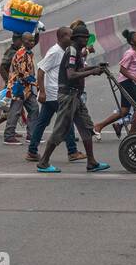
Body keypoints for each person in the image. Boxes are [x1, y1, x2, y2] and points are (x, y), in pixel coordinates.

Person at [38, 25, 109, 173]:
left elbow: (78, 70)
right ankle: (43, 162)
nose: (87, 40)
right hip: (68, 95)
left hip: (76, 96)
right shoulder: (72, 51)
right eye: (85, 38)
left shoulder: (76, 51)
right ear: (77, 38)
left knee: (86, 127)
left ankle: (91, 162)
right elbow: (71, 75)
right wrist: (92, 72)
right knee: (60, 129)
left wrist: (95, 68)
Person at [27, 26, 87, 164]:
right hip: (54, 93)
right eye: (69, 36)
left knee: (42, 122)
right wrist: (42, 92)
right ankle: (72, 151)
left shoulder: (65, 51)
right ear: (61, 37)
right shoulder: (54, 52)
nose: (71, 39)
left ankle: (32, 151)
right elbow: (41, 71)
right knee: (67, 120)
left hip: (53, 94)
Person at [95, 29, 136, 137]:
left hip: (132, 83)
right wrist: (135, 79)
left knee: (124, 111)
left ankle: (99, 126)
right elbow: (122, 70)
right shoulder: (130, 53)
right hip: (127, 82)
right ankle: (132, 134)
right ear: (132, 42)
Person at [2, 32, 38, 144]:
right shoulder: (21, 54)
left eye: (32, 41)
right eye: (29, 41)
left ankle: (31, 135)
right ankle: (9, 136)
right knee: (15, 111)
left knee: (34, 108)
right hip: (18, 87)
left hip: (26, 88)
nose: (32, 43)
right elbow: (22, 73)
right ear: (23, 41)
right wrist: (36, 83)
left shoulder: (29, 53)